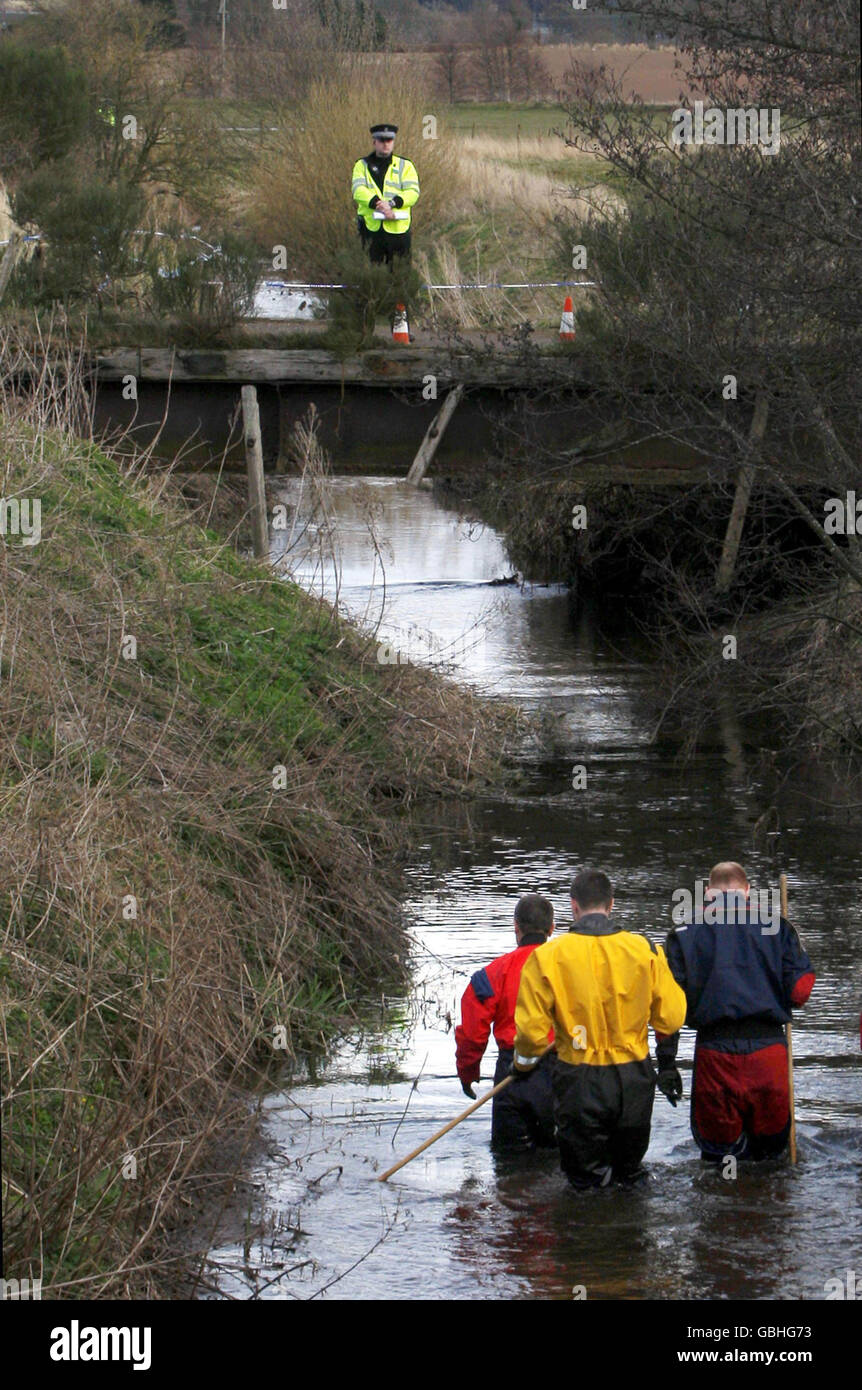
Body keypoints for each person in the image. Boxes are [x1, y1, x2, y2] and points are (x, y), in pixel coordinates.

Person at [513, 869, 687, 1189]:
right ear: (611, 904)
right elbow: (671, 1018)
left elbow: (531, 1036)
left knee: (584, 1182)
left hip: (579, 1078)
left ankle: (588, 1233)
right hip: (634, 1078)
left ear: (573, 906)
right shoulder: (645, 949)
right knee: (629, 1175)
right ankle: (631, 1234)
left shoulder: (547, 956)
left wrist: (522, 1065)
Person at [655, 860, 815, 1162]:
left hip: (715, 1057)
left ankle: (725, 1199)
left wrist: (666, 1064)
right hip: (768, 1057)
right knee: (769, 1157)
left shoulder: (684, 934)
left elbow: (668, 1010)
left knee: (720, 1158)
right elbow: (801, 991)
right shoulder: (778, 927)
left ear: (709, 894)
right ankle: (769, 1202)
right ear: (747, 891)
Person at [455, 893, 556, 1150]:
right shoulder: (570, 968)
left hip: (512, 1076)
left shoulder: (492, 974)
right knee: (561, 1162)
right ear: (551, 928)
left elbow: (472, 1034)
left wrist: (468, 1073)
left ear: (516, 927)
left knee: (509, 1164)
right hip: (562, 1072)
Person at [351, 123, 420, 267]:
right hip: (370, 230)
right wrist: (379, 204)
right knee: (371, 277)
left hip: (398, 231)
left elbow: (412, 192)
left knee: (400, 277)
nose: (385, 144)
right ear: (374, 142)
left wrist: (391, 204)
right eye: (382, 141)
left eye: (389, 141)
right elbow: (358, 190)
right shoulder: (361, 165)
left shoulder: (405, 166)